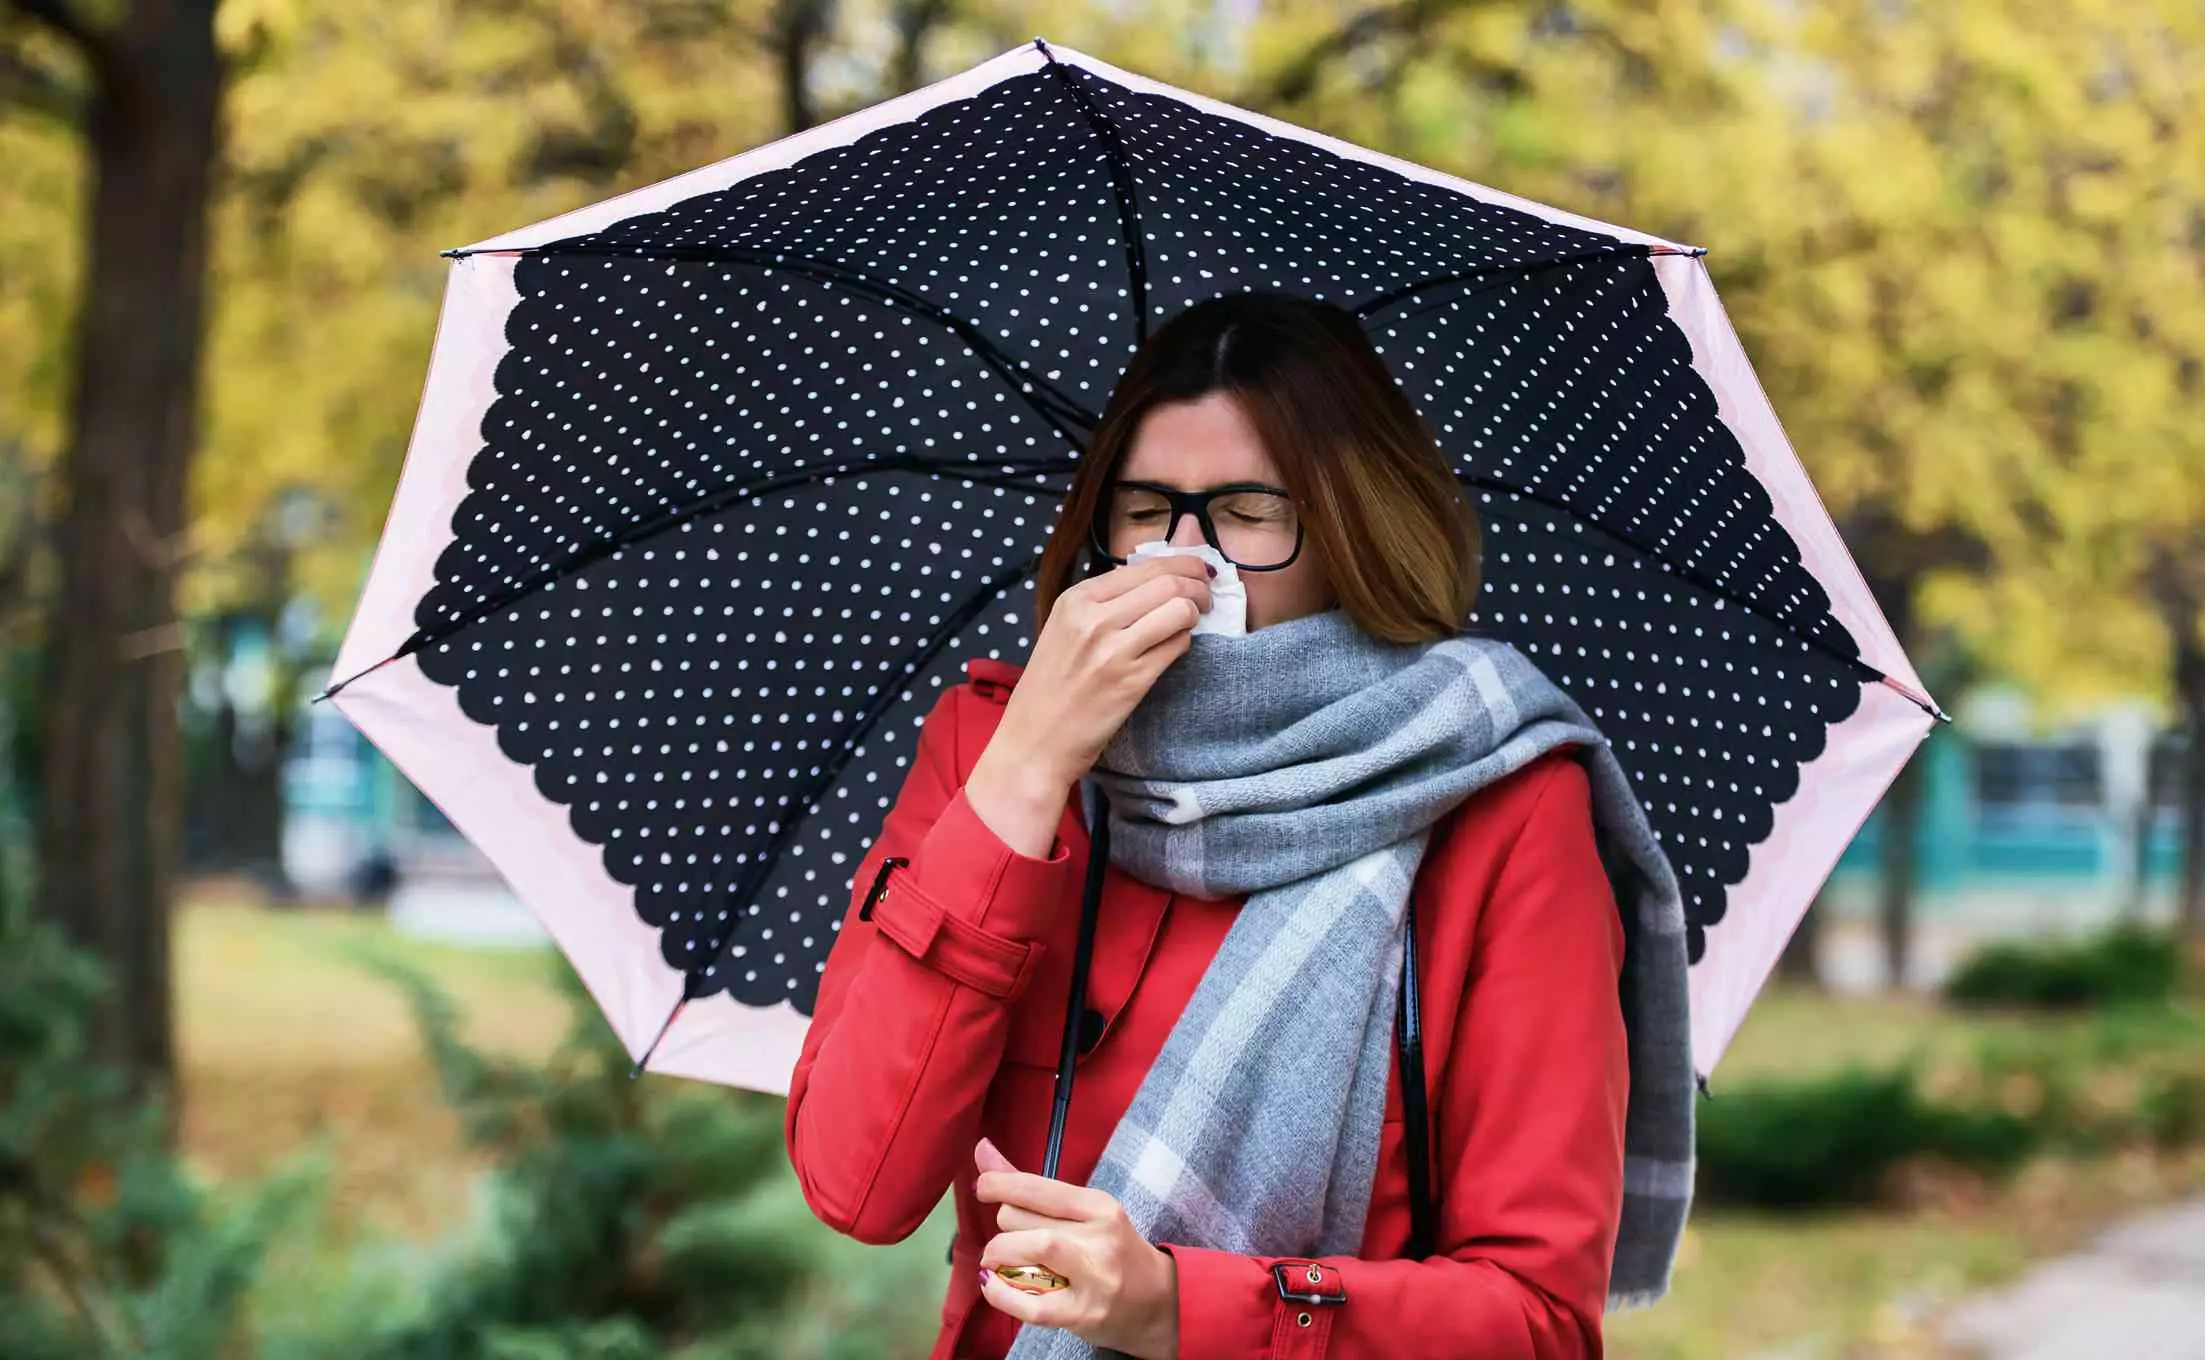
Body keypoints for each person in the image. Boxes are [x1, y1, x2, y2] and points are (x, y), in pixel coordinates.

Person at [785, 292, 1667, 1359]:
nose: (1186, 558)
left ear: (1350, 527)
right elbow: (856, 1181)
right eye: (1146, 507)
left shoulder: (1497, 797)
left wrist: (1176, 1306)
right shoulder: (994, 748)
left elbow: (1536, 1321)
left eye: (1250, 511)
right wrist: (1028, 767)